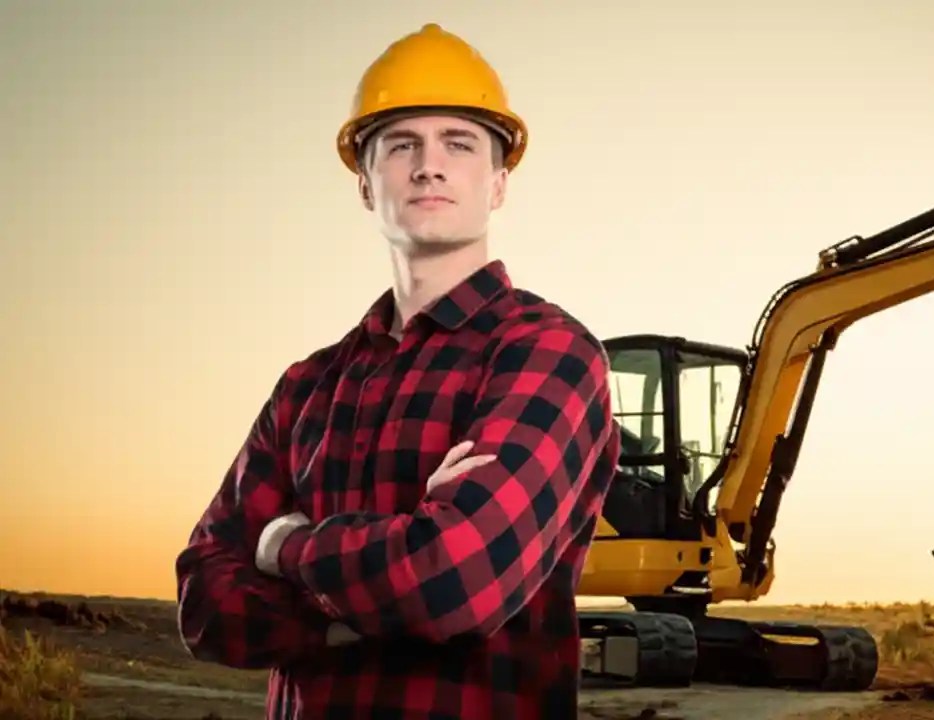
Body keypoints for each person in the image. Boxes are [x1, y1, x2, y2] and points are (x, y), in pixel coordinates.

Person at [174, 21, 621, 720]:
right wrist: (360, 595)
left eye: (459, 143)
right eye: (401, 144)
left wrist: (284, 545)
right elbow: (204, 600)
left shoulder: (548, 352)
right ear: (364, 182)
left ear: (498, 183)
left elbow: (455, 580)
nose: (428, 165)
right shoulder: (307, 386)